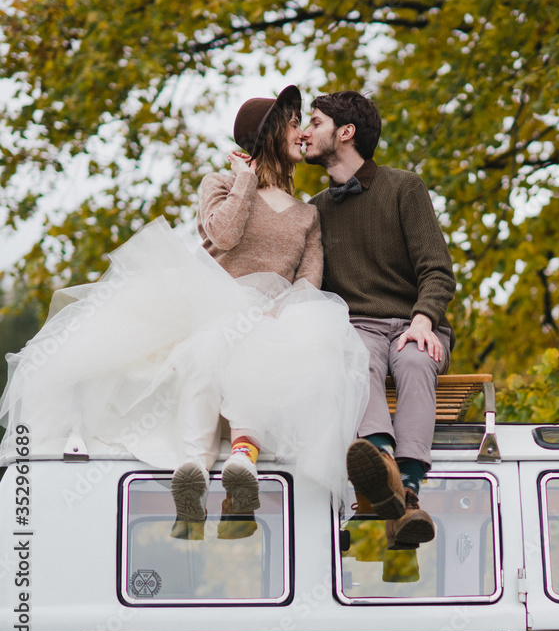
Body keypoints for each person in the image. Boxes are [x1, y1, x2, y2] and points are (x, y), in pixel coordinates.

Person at [0, 86, 370, 538]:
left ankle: (242, 460)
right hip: (214, 304)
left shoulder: (306, 214)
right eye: (293, 123)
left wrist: (283, 312)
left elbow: (309, 278)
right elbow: (224, 234)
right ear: (270, 133)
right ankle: (191, 473)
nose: (301, 133)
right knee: (207, 355)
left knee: (261, 356)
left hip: (273, 315)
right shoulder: (220, 184)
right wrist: (245, 181)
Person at [302, 90, 456, 550]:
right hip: (357, 328)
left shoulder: (404, 187)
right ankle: (385, 470)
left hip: (415, 323)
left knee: (412, 362)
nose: (305, 132)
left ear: (344, 133)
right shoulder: (314, 209)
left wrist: (425, 319)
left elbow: (437, 269)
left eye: (314, 122)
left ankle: (407, 486)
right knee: (354, 359)